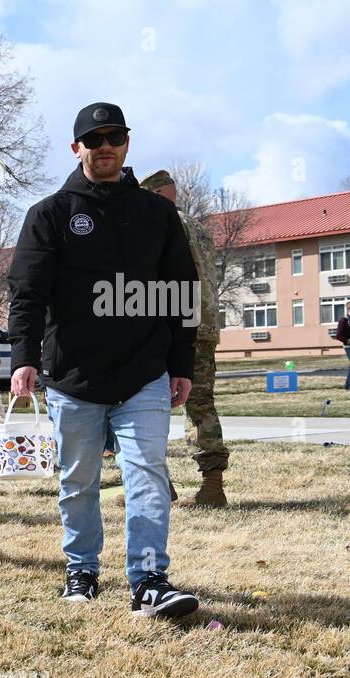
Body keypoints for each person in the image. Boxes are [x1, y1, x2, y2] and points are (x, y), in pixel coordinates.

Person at [7, 102, 200, 618]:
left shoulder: (157, 214)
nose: (105, 146)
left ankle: (149, 581)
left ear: (127, 143)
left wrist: (182, 363)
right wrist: (24, 356)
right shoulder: (49, 214)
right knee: (77, 480)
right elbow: (26, 293)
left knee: (147, 474)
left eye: (114, 136)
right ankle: (82, 571)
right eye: (94, 139)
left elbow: (182, 289)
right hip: (72, 377)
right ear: (77, 148)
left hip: (144, 374)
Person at [139, 169, 230, 507]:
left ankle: (160, 487)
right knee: (202, 406)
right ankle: (212, 486)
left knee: (149, 406)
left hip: (172, 329)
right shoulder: (200, 229)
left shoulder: (161, 223)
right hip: (204, 328)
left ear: (158, 194)